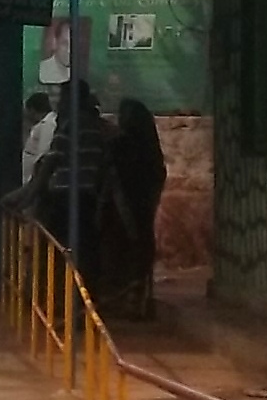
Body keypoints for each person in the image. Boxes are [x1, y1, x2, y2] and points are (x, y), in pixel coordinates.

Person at [98, 99, 167, 320]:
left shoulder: (118, 145)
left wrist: (104, 205)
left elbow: (109, 178)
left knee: (121, 256)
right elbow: (159, 176)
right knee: (140, 257)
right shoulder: (150, 149)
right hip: (142, 210)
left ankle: (125, 304)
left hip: (120, 211)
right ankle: (139, 303)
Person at [41, 79, 106, 286]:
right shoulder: (96, 124)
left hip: (67, 195)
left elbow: (53, 159)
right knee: (87, 248)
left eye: (62, 98)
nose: (58, 104)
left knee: (57, 247)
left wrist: (28, 193)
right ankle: (84, 295)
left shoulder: (71, 124)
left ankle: (60, 296)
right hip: (90, 196)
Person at [21, 92, 57, 186]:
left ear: (32, 109)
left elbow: (43, 153)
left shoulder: (48, 124)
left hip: (32, 180)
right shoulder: (42, 124)